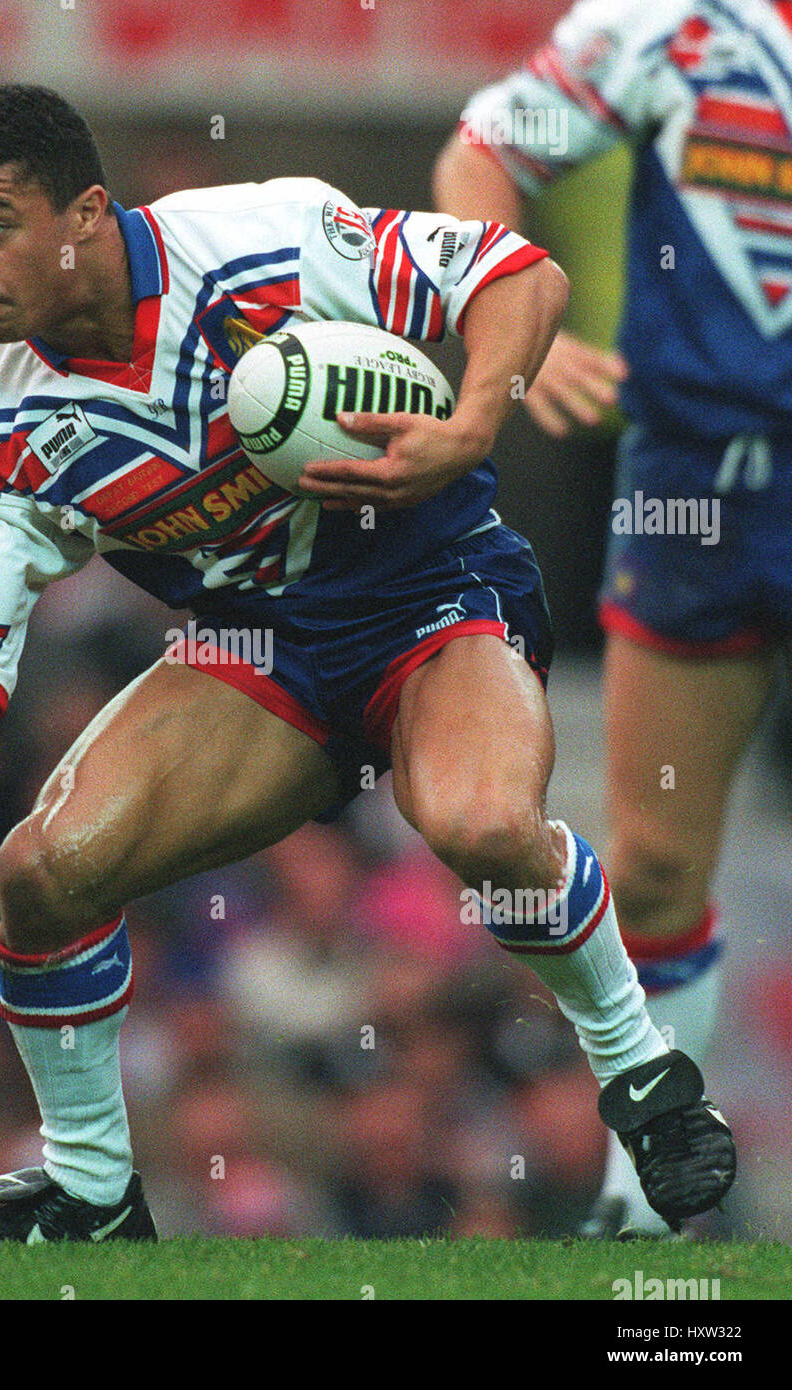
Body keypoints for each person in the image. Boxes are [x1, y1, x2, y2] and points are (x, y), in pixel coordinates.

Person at [0, 82, 735, 1244]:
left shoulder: (260, 241)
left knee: (479, 822)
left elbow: (519, 275)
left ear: (87, 214)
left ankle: (641, 1071)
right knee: (41, 872)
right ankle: (94, 1191)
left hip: (430, 593)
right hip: (260, 656)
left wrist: (465, 423)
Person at [432, 0, 792, 1237]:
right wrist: (511, 341)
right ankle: (641, 1216)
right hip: (696, 484)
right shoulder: (675, 25)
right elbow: (482, 147)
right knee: (646, 864)